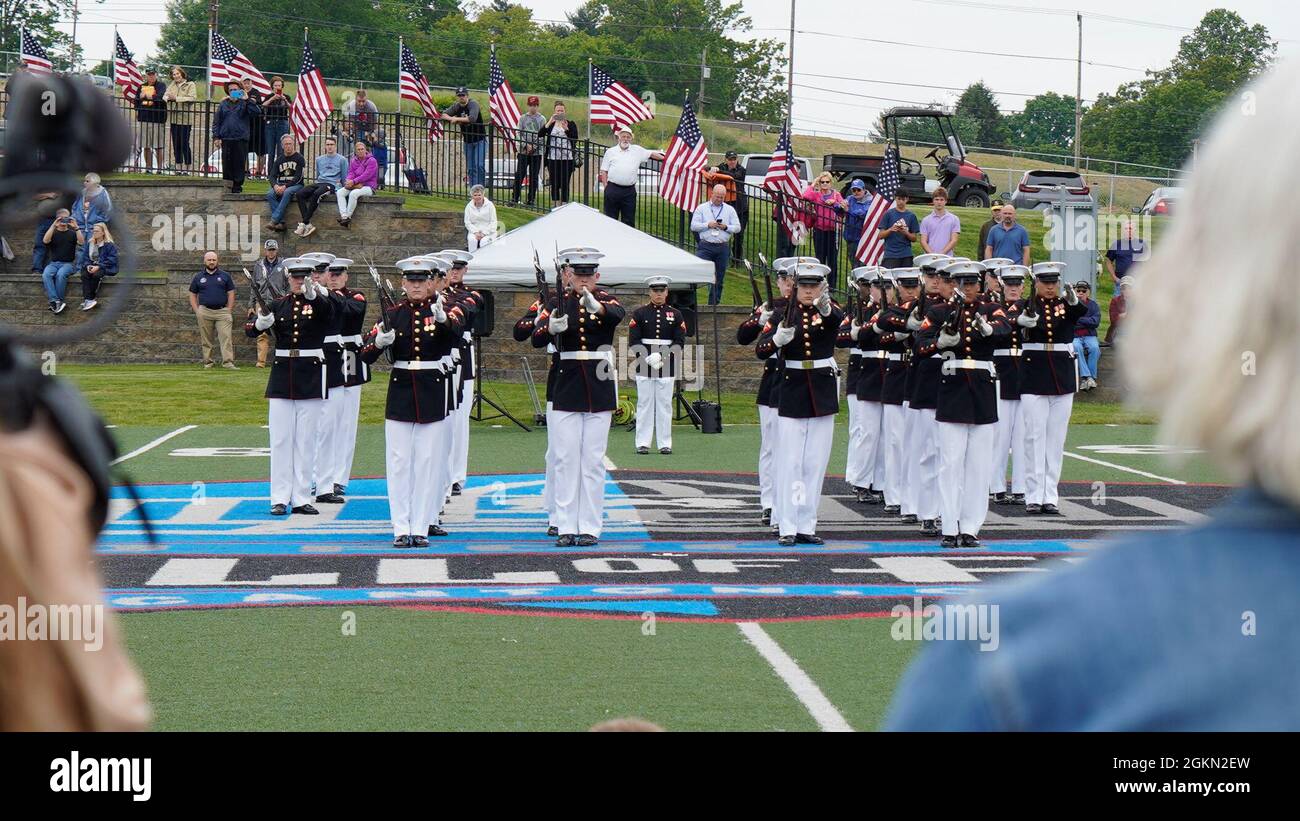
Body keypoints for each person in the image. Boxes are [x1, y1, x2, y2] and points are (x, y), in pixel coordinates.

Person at [888, 63, 1300, 732]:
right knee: (972, 450)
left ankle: (1017, 497)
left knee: (1035, 440)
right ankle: (966, 508)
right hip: (963, 385)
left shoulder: (1011, 661)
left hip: (1023, 379)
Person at [360, 257, 463, 546]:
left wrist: (442, 320)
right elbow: (365, 355)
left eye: (422, 281)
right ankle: (400, 527)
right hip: (401, 390)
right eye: (411, 281)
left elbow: (456, 336)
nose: (417, 286)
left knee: (428, 463)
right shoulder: (393, 314)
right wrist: (379, 341)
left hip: (432, 390)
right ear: (404, 283)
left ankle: (420, 526)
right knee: (399, 462)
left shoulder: (444, 311)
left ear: (431, 282)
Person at [530, 248, 626, 547]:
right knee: (565, 457)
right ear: (568, 275)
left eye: (589, 275)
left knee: (592, 460)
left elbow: (617, 315)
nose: (583, 280)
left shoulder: (606, 299)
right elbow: (534, 338)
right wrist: (549, 327)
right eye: (578, 274)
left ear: (596, 276)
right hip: (566, 380)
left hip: (598, 380)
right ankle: (565, 524)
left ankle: (589, 526)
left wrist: (596, 307)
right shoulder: (556, 302)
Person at [919, 261, 1010, 547]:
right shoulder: (939, 311)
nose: (966, 288)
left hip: (982, 389)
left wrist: (987, 330)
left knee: (978, 466)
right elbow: (920, 345)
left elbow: (1005, 328)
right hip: (953, 387)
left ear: (979, 285)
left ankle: (970, 527)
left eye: (971, 283)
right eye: (961, 283)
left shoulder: (989, 309)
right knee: (950, 463)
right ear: (952, 285)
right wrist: (940, 342)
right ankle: (949, 525)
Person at [756, 263, 844, 546]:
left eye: (814, 286)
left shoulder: (829, 311)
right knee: (790, 461)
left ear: (822, 287)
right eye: (804, 286)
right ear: (795, 286)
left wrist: (826, 309)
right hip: (792, 387)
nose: (808, 291)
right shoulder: (782, 313)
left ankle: (807, 523)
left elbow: (836, 324)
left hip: (821, 390)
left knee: (814, 463)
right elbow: (761, 349)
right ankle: (787, 524)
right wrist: (776, 340)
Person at [247, 256, 335, 516]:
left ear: (310, 278)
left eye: (303, 277)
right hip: (283, 374)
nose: (299, 281)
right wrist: (258, 324)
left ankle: (301, 497)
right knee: (281, 439)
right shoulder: (278, 304)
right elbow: (250, 328)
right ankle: (279, 497)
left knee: (306, 441)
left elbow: (330, 314)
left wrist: (314, 296)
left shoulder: (320, 303)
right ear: (288, 279)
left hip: (310, 374)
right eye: (295, 277)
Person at [737, 258, 810, 530]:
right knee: (771, 447)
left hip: (802, 382)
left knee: (799, 453)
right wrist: (759, 320)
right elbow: (743, 337)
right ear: (779, 282)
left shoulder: (812, 309)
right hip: (774, 383)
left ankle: (796, 503)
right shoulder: (773, 308)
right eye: (784, 278)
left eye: (794, 278)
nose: (789, 283)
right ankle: (769, 502)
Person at [1016, 261, 1085, 514]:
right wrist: (1021, 322)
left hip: (1062, 376)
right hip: (1034, 374)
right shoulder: (1026, 305)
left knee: (1055, 440)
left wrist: (1074, 301)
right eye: (1045, 283)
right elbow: (1011, 322)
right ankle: (1033, 495)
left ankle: (1050, 495)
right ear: (1036, 284)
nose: (1050, 287)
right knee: (1034, 437)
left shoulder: (1066, 305)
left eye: (1053, 283)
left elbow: (1081, 314)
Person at [839, 266, 887, 504]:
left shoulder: (893, 311)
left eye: (884, 286)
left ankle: (880, 481)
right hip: (863, 371)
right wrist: (856, 333)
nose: (876, 290)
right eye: (874, 286)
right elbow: (841, 336)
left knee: (886, 434)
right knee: (863, 430)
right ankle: (860, 479)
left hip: (889, 371)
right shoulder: (860, 311)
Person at [441, 250, 484, 500]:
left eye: (457, 268)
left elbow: (467, 310)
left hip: (462, 356)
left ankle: (457, 474)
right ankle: (443, 472)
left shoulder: (470, 295)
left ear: (464, 270)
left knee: (459, 419)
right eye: (449, 268)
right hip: (440, 356)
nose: (453, 272)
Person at [628, 276, 687, 454]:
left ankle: (665, 443)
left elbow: (679, 342)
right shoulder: (639, 313)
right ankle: (643, 443)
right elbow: (634, 340)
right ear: (649, 292)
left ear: (667, 292)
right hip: (644, 362)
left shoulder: (676, 314)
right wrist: (646, 356)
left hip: (667, 363)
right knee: (644, 403)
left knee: (664, 404)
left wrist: (661, 355)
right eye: (655, 290)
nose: (659, 294)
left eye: (662, 290)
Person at [989, 265, 1029, 505]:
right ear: (1002, 286)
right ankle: (996, 485)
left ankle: (1022, 486)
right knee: (1000, 435)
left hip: (1024, 371)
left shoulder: (1030, 306)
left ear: (1023, 286)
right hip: (1002, 369)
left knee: (1023, 437)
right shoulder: (994, 308)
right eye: (1009, 284)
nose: (1014, 288)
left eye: (1017, 285)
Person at [599, 126, 666, 226]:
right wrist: (606, 187)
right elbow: (604, 171)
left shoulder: (637, 150)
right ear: (619, 137)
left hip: (629, 192)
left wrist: (666, 159)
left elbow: (652, 154)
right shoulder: (610, 152)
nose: (625, 139)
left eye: (628, 137)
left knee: (629, 220)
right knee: (610, 219)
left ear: (631, 138)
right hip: (612, 189)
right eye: (623, 136)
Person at [691, 183, 741, 305]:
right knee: (698, 273)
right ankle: (690, 302)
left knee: (719, 278)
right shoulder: (701, 208)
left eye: (722, 197)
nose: (719, 199)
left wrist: (726, 227)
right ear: (712, 194)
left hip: (722, 247)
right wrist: (707, 225)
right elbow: (694, 226)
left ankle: (713, 304)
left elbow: (737, 227)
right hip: (705, 246)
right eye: (717, 196)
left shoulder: (729, 210)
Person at [188, 251, 238, 369]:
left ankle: (228, 363)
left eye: (214, 260)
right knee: (206, 339)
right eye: (209, 260)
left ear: (217, 261)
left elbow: (231, 293)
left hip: (222, 313)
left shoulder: (225, 276)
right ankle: (208, 363)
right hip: (205, 312)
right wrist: (197, 311)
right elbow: (192, 294)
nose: (211, 262)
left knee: (226, 338)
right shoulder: (198, 277)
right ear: (204, 261)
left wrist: (228, 310)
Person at [1103, 219, 1146, 346]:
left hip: (1136, 284)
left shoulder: (1142, 245)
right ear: (1123, 231)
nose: (1129, 231)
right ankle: (1116, 335)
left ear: (1136, 230)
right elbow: (1108, 261)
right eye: (1126, 229)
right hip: (1120, 283)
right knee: (1119, 309)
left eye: (1131, 229)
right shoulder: (1117, 244)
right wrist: (1114, 276)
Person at [212, 80, 259, 194]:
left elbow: (256, 113)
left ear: (240, 91)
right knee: (227, 165)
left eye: (235, 90)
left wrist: (247, 99)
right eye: (231, 90)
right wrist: (216, 137)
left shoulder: (245, 103)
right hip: (226, 138)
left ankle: (237, 188)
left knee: (239, 164)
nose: (233, 92)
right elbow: (217, 122)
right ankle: (227, 187)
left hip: (240, 139)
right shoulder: (223, 104)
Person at [294, 136, 348, 237]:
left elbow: (344, 178)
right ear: (325, 146)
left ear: (335, 146)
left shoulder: (342, 160)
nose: (330, 147)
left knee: (317, 193)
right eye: (328, 145)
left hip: (332, 185)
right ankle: (307, 224)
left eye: (331, 145)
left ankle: (304, 222)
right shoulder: (319, 159)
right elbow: (318, 176)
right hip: (320, 182)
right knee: (300, 193)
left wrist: (340, 188)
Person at [802, 172, 847, 290]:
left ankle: (832, 287)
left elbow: (844, 207)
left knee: (832, 259)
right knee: (820, 258)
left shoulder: (836, 195)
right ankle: (819, 283)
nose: (825, 184)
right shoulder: (816, 195)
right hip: (819, 230)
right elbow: (806, 196)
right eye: (822, 182)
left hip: (833, 231)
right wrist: (814, 183)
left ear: (831, 183)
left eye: (827, 182)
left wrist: (835, 203)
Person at [250, 239, 288, 368]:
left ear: (276, 250)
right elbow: (253, 286)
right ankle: (261, 362)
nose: (271, 252)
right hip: (262, 303)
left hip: (279, 302)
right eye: (269, 250)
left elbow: (288, 285)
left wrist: (287, 300)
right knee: (262, 333)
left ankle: (282, 359)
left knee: (281, 331)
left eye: (273, 250)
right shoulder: (258, 265)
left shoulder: (284, 265)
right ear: (265, 251)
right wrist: (251, 305)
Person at [706, 151, 748, 260]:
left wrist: (719, 171)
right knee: (721, 231)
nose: (732, 162)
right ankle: (722, 256)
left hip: (740, 207)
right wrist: (711, 168)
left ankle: (737, 260)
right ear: (726, 160)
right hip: (726, 206)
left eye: (734, 159)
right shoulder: (722, 166)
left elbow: (735, 176)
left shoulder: (741, 169)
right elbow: (706, 169)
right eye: (730, 159)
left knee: (739, 234)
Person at [442, 86, 487, 188]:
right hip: (468, 141)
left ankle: (480, 189)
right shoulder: (457, 106)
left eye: (463, 95)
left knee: (479, 166)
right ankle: (473, 189)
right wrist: (451, 118)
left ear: (467, 96)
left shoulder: (473, 104)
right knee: (471, 168)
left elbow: (472, 118)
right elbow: (443, 115)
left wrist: (456, 119)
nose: (461, 97)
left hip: (480, 140)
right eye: (459, 95)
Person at [40, 209, 83, 314]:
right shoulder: (52, 233)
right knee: (46, 274)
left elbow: (82, 242)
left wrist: (76, 227)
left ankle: (57, 302)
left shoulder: (72, 233)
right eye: (62, 218)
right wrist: (54, 225)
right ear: (57, 219)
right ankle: (55, 301)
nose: (64, 221)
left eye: (66, 218)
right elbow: (45, 241)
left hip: (68, 264)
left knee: (61, 274)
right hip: (53, 263)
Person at [264, 133, 304, 232]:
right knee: (270, 194)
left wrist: (285, 187)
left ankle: (274, 220)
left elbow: (298, 177)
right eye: (286, 144)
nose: (288, 146)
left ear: (293, 144)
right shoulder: (279, 160)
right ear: (282, 146)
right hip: (280, 184)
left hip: (296, 185)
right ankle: (281, 223)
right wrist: (275, 186)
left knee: (287, 192)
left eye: (290, 143)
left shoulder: (299, 158)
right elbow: (272, 176)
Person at [75, 222, 118, 312]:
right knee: (84, 274)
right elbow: (85, 258)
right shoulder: (90, 243)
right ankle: (88, 300)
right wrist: (87, 265)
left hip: (106, 267)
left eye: (97, 231)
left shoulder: (109, 245)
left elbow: (112, 260)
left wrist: (99, 266)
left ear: (103, 233)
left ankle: (90, 298)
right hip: (92, 266)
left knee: (96, 275)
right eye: (93, 231)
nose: (94, 233)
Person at [543, 101, 578, 207]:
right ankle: (555, 206)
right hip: (552, 159)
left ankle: (564, 205)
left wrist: (567, 129)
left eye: (562, 110)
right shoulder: (551, 125)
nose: (560, 112)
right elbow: (540, 134)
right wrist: (549, 122)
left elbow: (575, 139)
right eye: (558, 110)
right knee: (554, 183)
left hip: (567, 159)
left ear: (565, 111)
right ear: (554, 111)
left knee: (564, 183)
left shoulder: (571, 124)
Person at [162, 67, 196, 174]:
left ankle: (188, 168)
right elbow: (165, 95)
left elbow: (192, 98)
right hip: (173, 119)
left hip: (185, 120)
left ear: (182, 74)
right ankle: (178, 167)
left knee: (184, 144)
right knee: (176, 144)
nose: (176, 76)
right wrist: (167, 98)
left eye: (177, 73)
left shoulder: (190, 84)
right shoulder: (172, 84)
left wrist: (176, 98)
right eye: (174, 74)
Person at [513, 96, 546, 206]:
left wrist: (534, 146)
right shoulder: (523, 118)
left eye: (535, 105)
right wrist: (525, 145)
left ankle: (531, 200)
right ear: (528, 105)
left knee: (534, 177)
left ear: (538, 106)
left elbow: (542, 135)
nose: (533, 107)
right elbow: (518, 133)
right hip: (523, 152)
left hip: (536, 153)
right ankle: (515, 198)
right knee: (519, 175)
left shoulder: (542, 119)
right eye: (531, 105)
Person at [133, 67, 167, 172]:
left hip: (157, 119)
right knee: (145, 145)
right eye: (149, 74)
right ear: (146, 75)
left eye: (153, 74)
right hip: (144, 119)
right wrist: (141, 97)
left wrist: (148, 96)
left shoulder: (161, 85)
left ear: (156, 74)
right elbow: (136, 101)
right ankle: (148, 168)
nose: (151, 76)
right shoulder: (141, 86)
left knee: (158, 146)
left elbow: (161, 98)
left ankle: (160, 169)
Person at [336, 140, 377, 227]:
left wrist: (353, 181)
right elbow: (351, 172)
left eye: (362, 149)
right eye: (358, 149)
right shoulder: (353, 160)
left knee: (353, 194)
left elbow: (367, 175)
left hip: (368, 186)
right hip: (355, 184)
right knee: (340, 192)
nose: (360, 151)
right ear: (355, 151)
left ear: (366, 150)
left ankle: (348, 217)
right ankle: (344, 216)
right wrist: (348, 180)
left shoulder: (372, 161)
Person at [876, 191, 920, 268]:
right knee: (889, 279)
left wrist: (906, 232)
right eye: (899, 199)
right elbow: (880, 236)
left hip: (906, 254)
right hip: (890, 254)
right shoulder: (888, 214)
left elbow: (914, 238)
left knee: (906, 278)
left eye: (903, 199)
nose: (901, 202)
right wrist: (890, 229)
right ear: (895, 199)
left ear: (907, 199)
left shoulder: (911, 216)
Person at [1072, 280, 1101, 390]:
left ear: (1088, 292)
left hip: (1090, 335)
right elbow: (1071, 322)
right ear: (1075, 291)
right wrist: (1086, 322)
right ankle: (1088, 377)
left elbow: (1095, 322)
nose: (1081, 293)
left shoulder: (1093, 305)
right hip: (1074, 336)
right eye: (1078, 290)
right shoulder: (1071, 304)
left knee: (1095, 348)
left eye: (1084, 291)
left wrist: (1079, 320)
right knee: (1076, 347)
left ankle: (1088, 379)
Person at [261, 76, 293, 174]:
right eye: (275, 85)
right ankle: (270, 173)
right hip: (270, 124)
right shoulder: (268, 96)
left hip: (282, 123)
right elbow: (263, 105)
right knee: (270, 151)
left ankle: (280, 173)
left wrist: (285, 100)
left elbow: (291, 108)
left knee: (281, 150)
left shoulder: (286, 97)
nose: (277, 87)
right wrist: (272, 98)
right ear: (272, 86)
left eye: (279, 85)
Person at [919, 188, 961, 255]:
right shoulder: (926, 220)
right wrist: (932, 255)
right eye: (937, 199)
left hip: (947, 259)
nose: (939, 202)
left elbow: (954, 240)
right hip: (929, 258)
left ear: (946, 201)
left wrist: (941, 254)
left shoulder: (954, 219)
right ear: (933, 201)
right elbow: (923, 241)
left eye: (941, 200)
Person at [241, 77, 266, 178]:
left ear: (251, 84)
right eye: (245, 83)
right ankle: (246, 171)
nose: (246, 85)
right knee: (244, 150)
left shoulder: (256, 92)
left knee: (260, 151)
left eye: (248, 83)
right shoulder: (239, 92)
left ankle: (259, 173)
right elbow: (230, 96)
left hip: (258, 126)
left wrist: (246, 98)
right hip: (245, 125)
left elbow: (254, 101)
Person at [842, 180, 873, 260]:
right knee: (852, 260)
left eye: (858, 190)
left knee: (861, 263)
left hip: (862, 238)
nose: (856, 192)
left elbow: (862, 214)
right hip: (850, 236)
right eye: (854, 190)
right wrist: (838, 205)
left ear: (864, 189)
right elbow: (839, 209)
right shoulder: (850, 198)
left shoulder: (870, 201)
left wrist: (848, 210)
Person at [464, 185, 498, 250]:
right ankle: (473, 259)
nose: (477, 197)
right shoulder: (469, 206)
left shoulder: (490, 205)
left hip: (489, 231)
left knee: (484, 242)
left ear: (483, 195)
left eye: (479, 195)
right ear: (472, 196)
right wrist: (476, 232)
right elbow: (467, 222)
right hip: (474, 231)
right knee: (472, 240)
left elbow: (493, 222)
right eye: (475, 195)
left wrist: (484, 233)